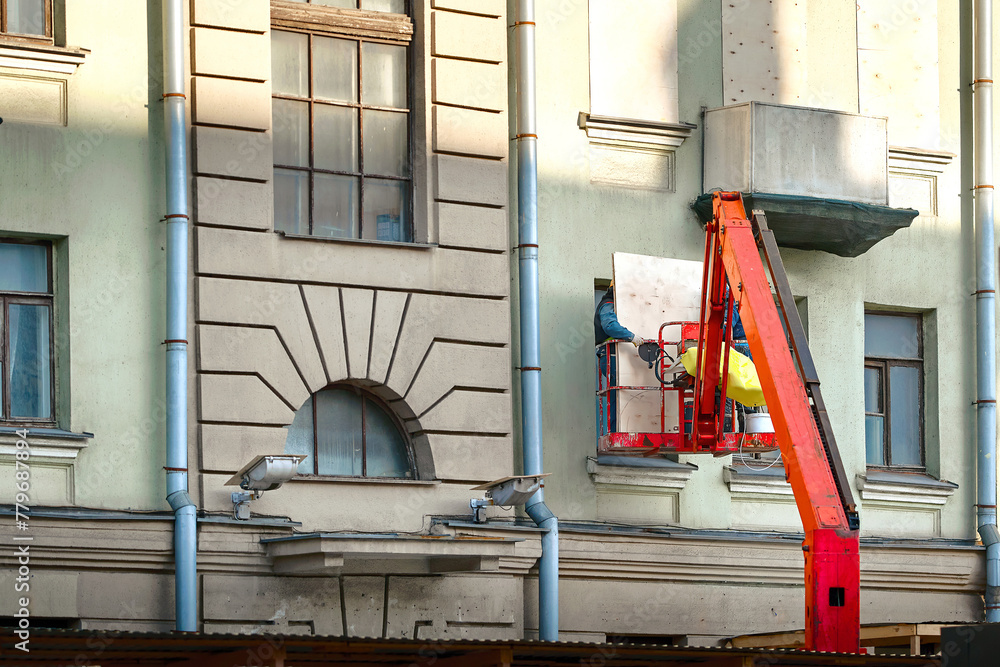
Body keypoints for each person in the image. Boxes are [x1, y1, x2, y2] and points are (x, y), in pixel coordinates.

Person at [595, 284, 644, 434]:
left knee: (622, 393)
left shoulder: (619, 307)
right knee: (619, 393)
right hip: (612, 357)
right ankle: (617, 431)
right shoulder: (608, 305)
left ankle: (624, 429)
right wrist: (632, 336)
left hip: (617, 356)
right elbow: (610, 326)